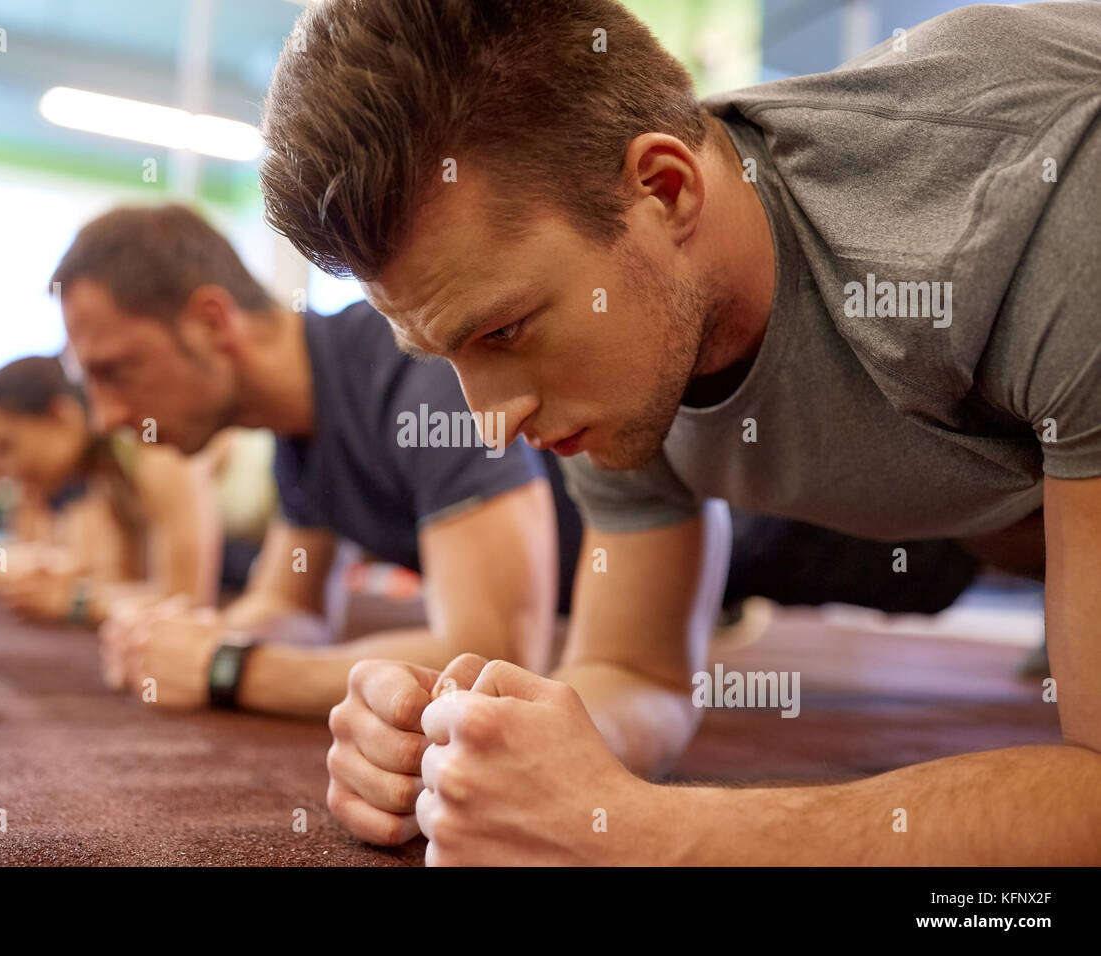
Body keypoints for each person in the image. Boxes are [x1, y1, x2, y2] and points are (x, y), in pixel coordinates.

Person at [258, 0, 1101, 863]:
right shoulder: (625, 348)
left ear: (665, 190)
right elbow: (636, 674)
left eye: (504, 331)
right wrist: (477, 747)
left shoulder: (1040, 198)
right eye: (444, 354)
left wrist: (644, 834)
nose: (490, 422)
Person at [54, 204, 585, 717]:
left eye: (116, 371)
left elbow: (496, 658)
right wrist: (189, 635)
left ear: (210, 323)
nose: (103, 420)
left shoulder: (417, 365)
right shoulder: (298, 428)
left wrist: (231, 668)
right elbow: (293, 609)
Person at [0, 355, 234, 624]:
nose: (2, 471)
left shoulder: (153, 444)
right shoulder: (108, 474)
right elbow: (124, 583)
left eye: (6, 447)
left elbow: (185, 604)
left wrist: (75, 601)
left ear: (62, 416)